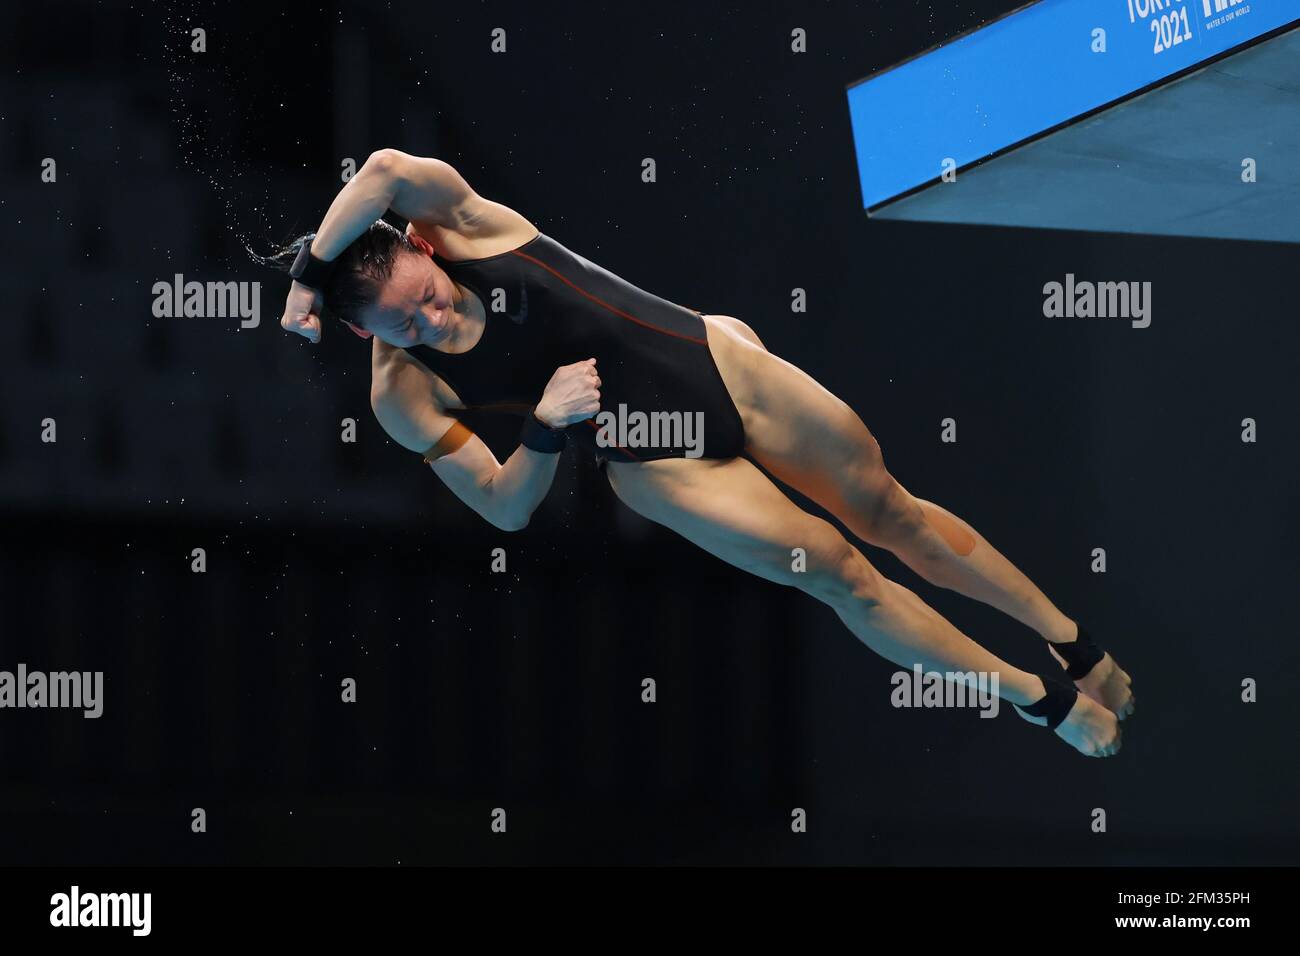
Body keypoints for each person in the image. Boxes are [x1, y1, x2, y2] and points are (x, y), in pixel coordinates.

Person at [273, 148, 1134, 756]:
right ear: (360, 331)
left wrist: (308, 272)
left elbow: (382, 168)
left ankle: (1070, 641)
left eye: (423, 298)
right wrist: (543, 424)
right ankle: (1036, 697)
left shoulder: (460, 221)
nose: (429, 321)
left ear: (421, 248)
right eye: (399, 324)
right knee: (837, 569)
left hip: (711, 362)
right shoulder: (403, 395)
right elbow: (505, 505)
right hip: (658, 463)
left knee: (887, 510)